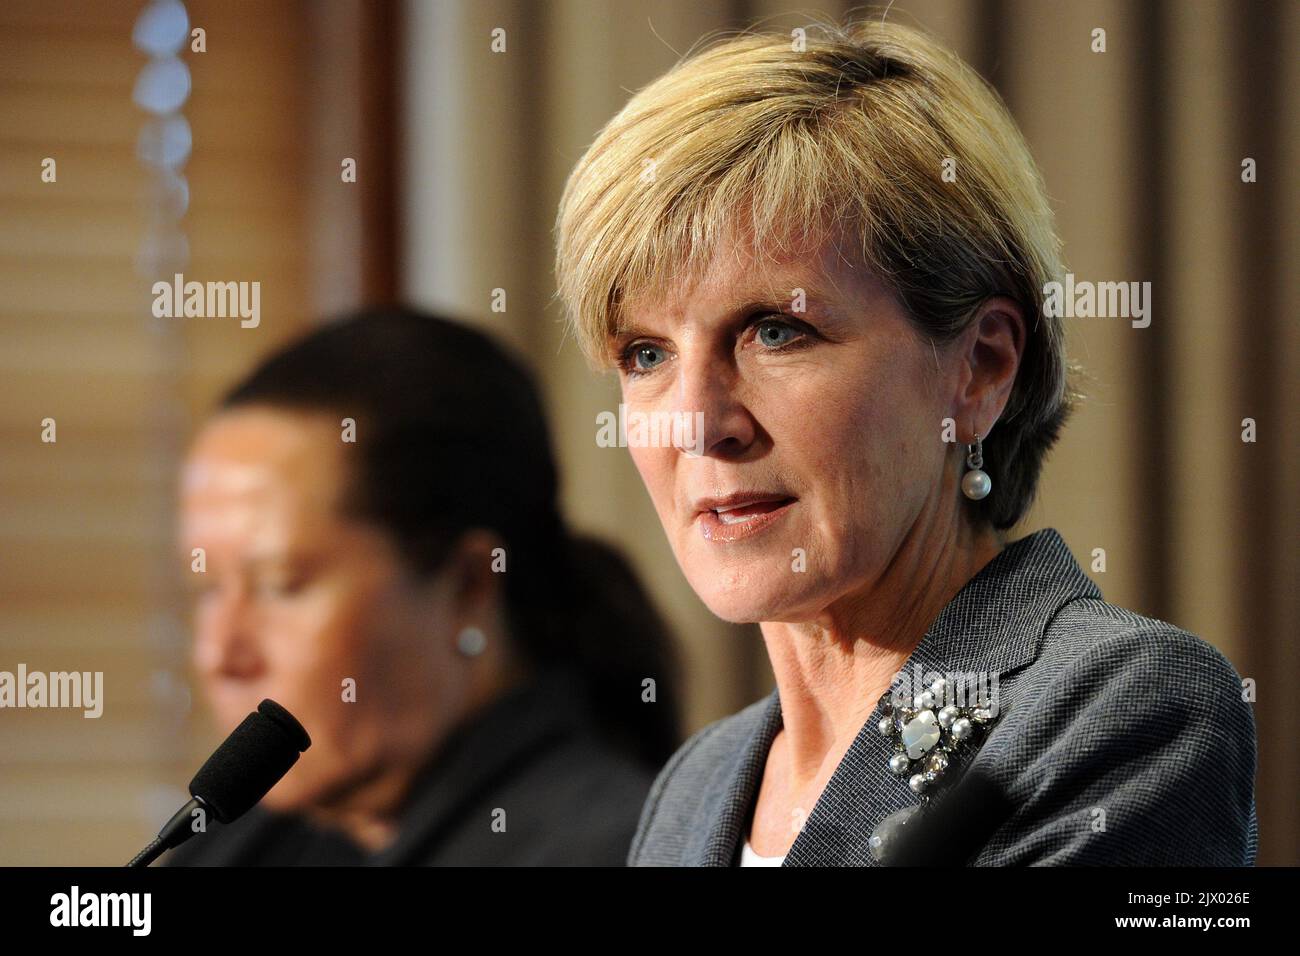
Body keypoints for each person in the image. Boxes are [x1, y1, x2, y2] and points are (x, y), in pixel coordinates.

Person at [553, 19, 1257, 865]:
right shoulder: (694, 787)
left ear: (981, 368)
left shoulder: (1123, 711)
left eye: (776, 331)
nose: (697, 421)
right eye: (647, 354)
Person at [166, 308, 680, 865]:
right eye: (208, 589)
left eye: (279, 586)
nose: (218, 653)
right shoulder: (235, 842)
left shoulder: (610, 849)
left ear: (467, 586)